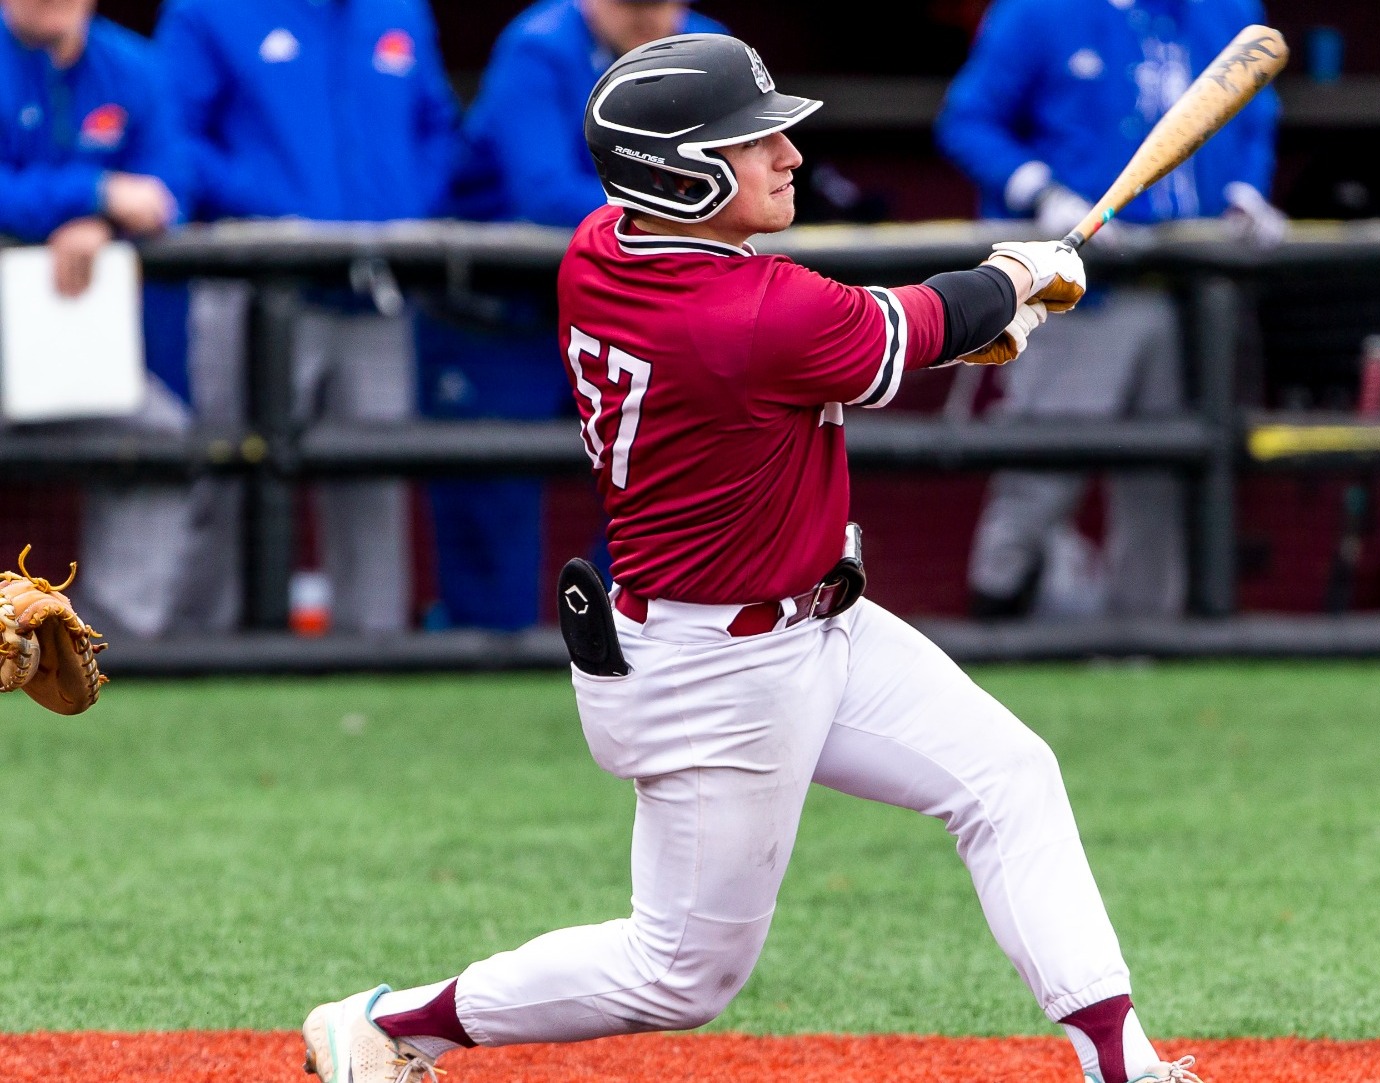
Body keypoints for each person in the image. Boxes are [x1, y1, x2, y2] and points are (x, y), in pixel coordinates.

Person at [298, 34, 1204, 1083]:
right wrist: (1016, 281)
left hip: (812, 623)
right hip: (714, 669)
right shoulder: (746, 318)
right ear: (678, 175)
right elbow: (891, 332)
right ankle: (387, 1020)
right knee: (679, 977)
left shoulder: (600, 248)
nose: (787, 155)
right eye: (751, 140)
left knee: (1009, 778)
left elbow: (876, 340)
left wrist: (997, 306)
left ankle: (1117, 1060)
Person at [938, 0, 1283, 619]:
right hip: (1078, 294)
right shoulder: (1038, 12)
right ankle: (990, 624)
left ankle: (1145, 646)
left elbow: (1254, 116)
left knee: (1167, 486)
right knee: (1042, 473)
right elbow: (968, 121)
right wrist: (1041, 192)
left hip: (1192, 294)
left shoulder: (1225, 10)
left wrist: (1246, 191)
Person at [419, 0, 727, 631]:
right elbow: (544, 193)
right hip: (501, 314)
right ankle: (489, 677)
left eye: (663, 5)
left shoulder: (707, 47)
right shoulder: (540, 45)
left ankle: (627, 649)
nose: (650, 22)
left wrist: (698, 206)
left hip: (634, 313)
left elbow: (742, 177)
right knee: (493, 532)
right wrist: (689, 207)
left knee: (666, 490)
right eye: (631, 6)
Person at [155, 0, 461, 634]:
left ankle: (372, 661)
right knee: (231, 477)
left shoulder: (399, 11)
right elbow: (172, 136)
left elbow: (437, 128)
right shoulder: (205, 10)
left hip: (377, 291)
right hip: (256, 287)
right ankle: (204, 655)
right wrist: (273, 212)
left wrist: (402, 212)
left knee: (375, 488)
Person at [0, 0, 212, 638]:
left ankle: (113, 640)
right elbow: (118, 188)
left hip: (75, 340)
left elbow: (172, 184)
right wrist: (92, 194)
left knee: (163, 442)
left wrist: (101, 219)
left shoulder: (131, 64)